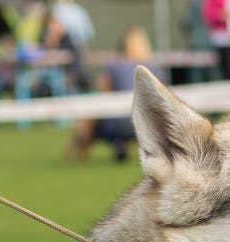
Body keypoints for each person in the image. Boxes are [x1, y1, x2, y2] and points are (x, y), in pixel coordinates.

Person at [66, 26, 164, 162]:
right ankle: (122, 144)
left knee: (92, 119)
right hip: (147, 127)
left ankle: (80, 152)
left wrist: (86, 122)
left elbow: (102, 98)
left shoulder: (113, 66)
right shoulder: (155, 68)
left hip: (118, 124)